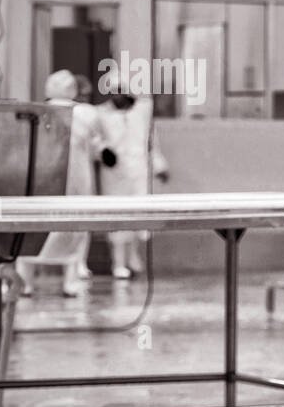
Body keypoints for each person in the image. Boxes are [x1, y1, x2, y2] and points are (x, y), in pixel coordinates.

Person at [15, 70, 107, 297]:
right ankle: (70, 282)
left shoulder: (35, 112)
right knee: (74, 227)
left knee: (33, 228)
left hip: (41, 183)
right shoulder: (87, 113)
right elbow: (97, 146)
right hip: (77, 183)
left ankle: (24, 283)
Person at [97, 77, 169, 280]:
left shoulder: (143, 112)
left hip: (138, 170)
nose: (116, 96)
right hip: (114, 173)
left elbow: (151, 142)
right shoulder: (101, 114)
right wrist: (103, 152)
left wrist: (159, 165)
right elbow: (96, 140)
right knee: (116, 217)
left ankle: (133, 257)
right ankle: (118, 262)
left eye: (120, 91)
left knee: (138, 217)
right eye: (113, 92)